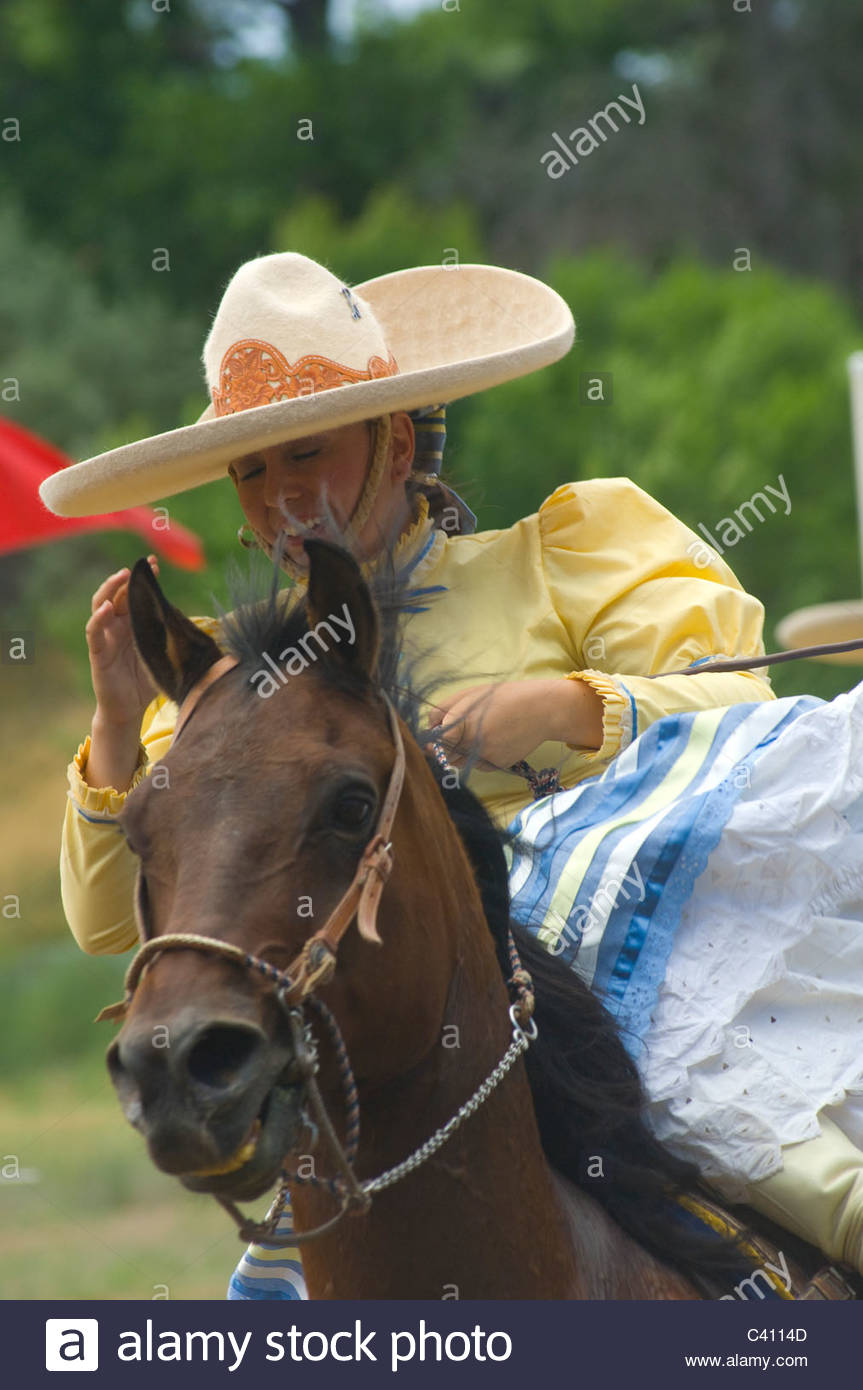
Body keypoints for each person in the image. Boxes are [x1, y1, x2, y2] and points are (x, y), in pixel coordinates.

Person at [43, 252, 863, 1298]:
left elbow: (753, 725)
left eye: (307, 451)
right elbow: (116, 924)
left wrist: (571, 706)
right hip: (391, 1026)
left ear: (391, 442)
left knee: (792, 1164)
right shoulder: (234, 693)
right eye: (249, 471)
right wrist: (118, 725)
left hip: (643, 976)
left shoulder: (562, 557)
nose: (282, 495)